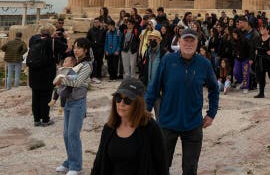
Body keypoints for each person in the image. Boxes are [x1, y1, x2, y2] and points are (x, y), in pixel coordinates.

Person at [145, 28, 219, 175]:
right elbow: (154, 86)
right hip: (167, 122)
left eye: (192, 40)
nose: (189, 43)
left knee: (190, 168)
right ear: (179, 41)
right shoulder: (168, 60)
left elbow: (214, 89)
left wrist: (211, 114)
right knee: (161, 165)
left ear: (198, 43)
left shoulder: (204, 64)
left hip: (193, 124)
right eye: (186, 40)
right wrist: (145, 109)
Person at [91, 77, 168, 175]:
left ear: (138, 103)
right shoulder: (109, 127)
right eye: (118, 98)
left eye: (127, 100)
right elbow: (99, 163)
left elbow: (161, 166)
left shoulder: (151, 128)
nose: (121, 104)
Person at [55, 38, 93, 175]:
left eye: (79, 48)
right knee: (66, 135)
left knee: (73, 134)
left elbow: (76, 82)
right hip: (69, 102)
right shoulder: (75, 63)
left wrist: (61, 79)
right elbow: (68, 80)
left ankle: (76, 166)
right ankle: (70, 162)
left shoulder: (86, 65)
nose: (75, 50)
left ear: (85, 50)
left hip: (78, 103)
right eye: (75, 47)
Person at [28, 24, 66, 127]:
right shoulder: (53, 41)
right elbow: (66, 48)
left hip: (33, 73)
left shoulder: (33, 39)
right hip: (47, 74)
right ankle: (45, 120)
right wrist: (63, 37)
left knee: (35, 97)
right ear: (52, 32)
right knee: (46, 98)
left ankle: (36, 120)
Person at [253, 25, 270, 99]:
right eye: (261, 29)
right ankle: (261, 93)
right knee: (261, 77)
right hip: (261, 60)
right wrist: (256, 52)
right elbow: (256, 47)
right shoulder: (259, 38)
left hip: (269, 61)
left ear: (268, 30)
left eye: (263, 29)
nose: (261, 30)